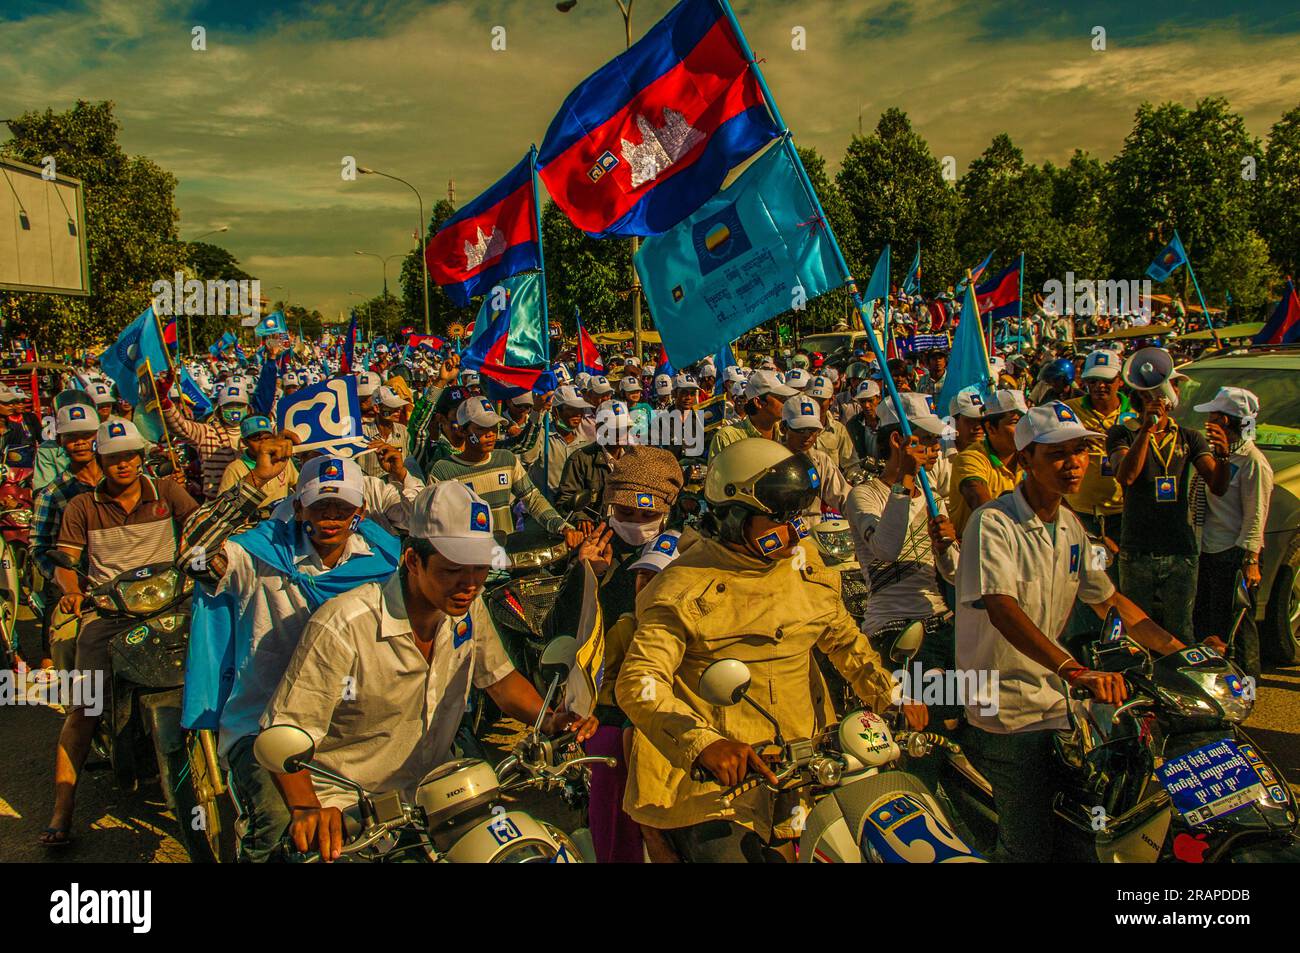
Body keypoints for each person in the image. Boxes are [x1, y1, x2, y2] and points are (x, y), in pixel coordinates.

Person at [617, 439, 923, 862]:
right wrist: (703, 744)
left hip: (808, 763)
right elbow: (639, 682)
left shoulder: (805, 563)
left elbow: (844, 640)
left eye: (797, 517)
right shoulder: (679, 587)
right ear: (734, 516)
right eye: (778, 518)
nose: (794, 531)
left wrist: (889, 693)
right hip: (717, 785)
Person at [260, 481, 597, 861]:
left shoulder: (468, 610)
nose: (470, 584)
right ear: (412, 560)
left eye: (480, 569)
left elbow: (498, 679)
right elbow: (286, 731)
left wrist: (549, 721)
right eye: (453, 569)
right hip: (352, 816)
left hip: (438, 798)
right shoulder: (343, 626)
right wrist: (308, 811)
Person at [956, 401, 1195, 862]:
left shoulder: (1072, 527)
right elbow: (1001, 607)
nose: (1074, 464)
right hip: (1005, 709)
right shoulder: (994, 523)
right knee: (1030, 846)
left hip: (1059, 704)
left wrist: (1180, 653)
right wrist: (1073, 669)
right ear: (1025, 460)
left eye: (1081, 451)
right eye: (1057, 454)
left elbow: (1107, 598)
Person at [184, 452, 401, 861]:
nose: (331, 516)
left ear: (362, 509)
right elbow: (191, 556)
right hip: (264, 724)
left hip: (353, 722)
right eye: (320, 505)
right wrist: (252, 483)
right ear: (300, 506)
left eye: (342, 506)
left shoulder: (385, 560)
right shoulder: (257, 555)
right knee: (277, 825)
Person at [41, 417, 201, 847]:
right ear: (102, 460)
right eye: (113, 457)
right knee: (84, 708)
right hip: (110, 612)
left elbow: (199, 527)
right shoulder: (81, 507)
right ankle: (62, 810)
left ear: (140, 456)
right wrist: (71, 591)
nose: (123, 464)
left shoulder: (167, 492)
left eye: (129, 455)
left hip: (171, 601)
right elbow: (65, 562)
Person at [543, 446, 685, 863]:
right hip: (605, 707)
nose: (636, 525)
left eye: (646, 516)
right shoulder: (591, 555)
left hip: (676, 701)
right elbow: (564, 636)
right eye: (625, 514)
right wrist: (587, 577)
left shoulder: (689, 553)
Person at [845, 392, 959, 725]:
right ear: (898, 440)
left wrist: (947, 546)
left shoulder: (934, 496)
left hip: (941, 624)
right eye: (926, 441)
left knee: (957, 723)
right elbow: (886, 549)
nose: (936, 449)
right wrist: (906, 480)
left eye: (937, 442)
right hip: (892, 633)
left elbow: (951, 574)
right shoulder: (864, 495)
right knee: (917, 733)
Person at [1107, 381, 1229, 641]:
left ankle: (1177, 681)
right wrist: (1146, 431)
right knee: (1137, 629)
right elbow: (1126, 476)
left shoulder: (1189, 437)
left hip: (1180, 549)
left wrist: (1223, 456)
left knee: (1181, 629)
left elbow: (1218, 486)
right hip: (1138, 547)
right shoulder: (1121, 433)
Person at [1191, 387, 1273, 677]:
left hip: (1235, 554)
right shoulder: (1218, 456)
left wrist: (1250, 560)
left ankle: (1248, 686)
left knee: (1239, 628)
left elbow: (1256, 515)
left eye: (1213, 416)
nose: (1208, 422)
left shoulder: (1252, 462)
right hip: (1209, 549)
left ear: (1225, 421)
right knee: (1210, 625)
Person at [429, 396, 582, 544]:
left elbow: (533, 500)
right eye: (482, 428)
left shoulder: (507, 460)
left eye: (494, 427)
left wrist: (562, 527)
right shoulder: (443, 472)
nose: (491, 434)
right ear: (462, 431)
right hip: (469, 561)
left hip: (506, 556)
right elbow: (436, 525)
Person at [29, 405, 103, 677]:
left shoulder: (126, 480)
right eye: (72, 437)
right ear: (60, 441)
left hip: (133, 585)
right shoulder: (53, 493)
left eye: (86, 434)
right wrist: (69, 584)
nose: (80, 442)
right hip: (85, 592)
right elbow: (39, 548)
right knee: (66, 642)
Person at [1062, 349, 1133, 550]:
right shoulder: (1067, 411)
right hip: (1080, 513)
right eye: (1092, 380)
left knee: (1121, 574)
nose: (1099, 386)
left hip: (1124, 513)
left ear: (1120, 380)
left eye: (1106, 380)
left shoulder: (1135, 413)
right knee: (1089, 575)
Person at [948, 390, 1027, 537]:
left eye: (1025, 422)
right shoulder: (970, 458)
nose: (1023, 429)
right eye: (1015, 422)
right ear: (990, 428)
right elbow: (982, 505)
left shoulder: (1030, 457)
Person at [162, 375, 247, 499]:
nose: (234, 409)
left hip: (249, 500)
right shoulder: (207, 432)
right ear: (219, 409)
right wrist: (165, 403)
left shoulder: (256, 434)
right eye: (229, 405)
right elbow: (180, 427)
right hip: (217, 502)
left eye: (239, 405)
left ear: (248, 409)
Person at [779, 395, 848, 523]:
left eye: (812, 430)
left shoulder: (821, 460)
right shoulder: (771, 459)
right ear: (783, 428)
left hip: (813, 532)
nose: (807, 436)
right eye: (800, 430)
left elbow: (843, 496)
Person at [708, 370, 797, 458]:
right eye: (780, 397)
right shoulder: (727, 438)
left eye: (786, 397)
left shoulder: (788, 434)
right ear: (758, 402)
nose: (786, 402)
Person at [528, 385, 593, 502]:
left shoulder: (585, 443)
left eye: (580, 409)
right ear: (556, 410)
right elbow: (527, 458)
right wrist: (536, 412)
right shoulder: (542, 436)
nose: (578, 414)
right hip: (545, 509)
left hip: (573, 512)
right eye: (572, 409)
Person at [218, 415, 299, 506]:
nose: (264, 443)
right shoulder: (235, 469)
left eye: (267, 437)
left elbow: (298, 486)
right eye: (257, 439)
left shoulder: (281, 460)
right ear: (244, 442)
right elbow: (224, 506)